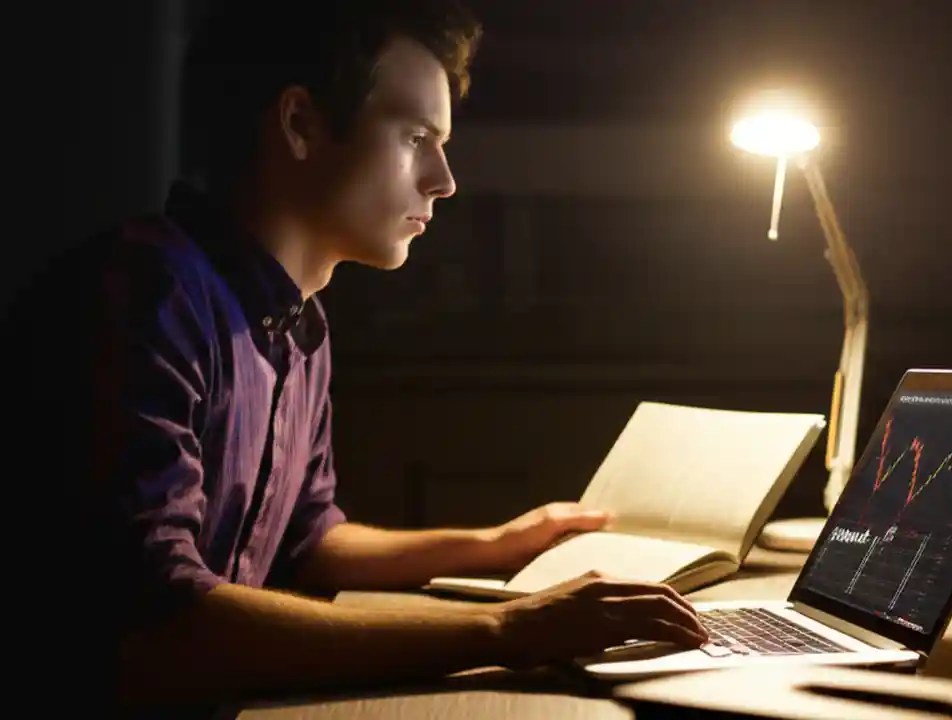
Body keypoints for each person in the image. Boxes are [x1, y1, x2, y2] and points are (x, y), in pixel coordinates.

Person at [1, 0, 706, 712]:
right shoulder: (145, 294)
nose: (444, 179)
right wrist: (503, 627)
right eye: (417, 137)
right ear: (301, 124)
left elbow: (310, 540)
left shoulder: (297, 321)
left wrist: (495, 545)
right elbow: (162, 620)